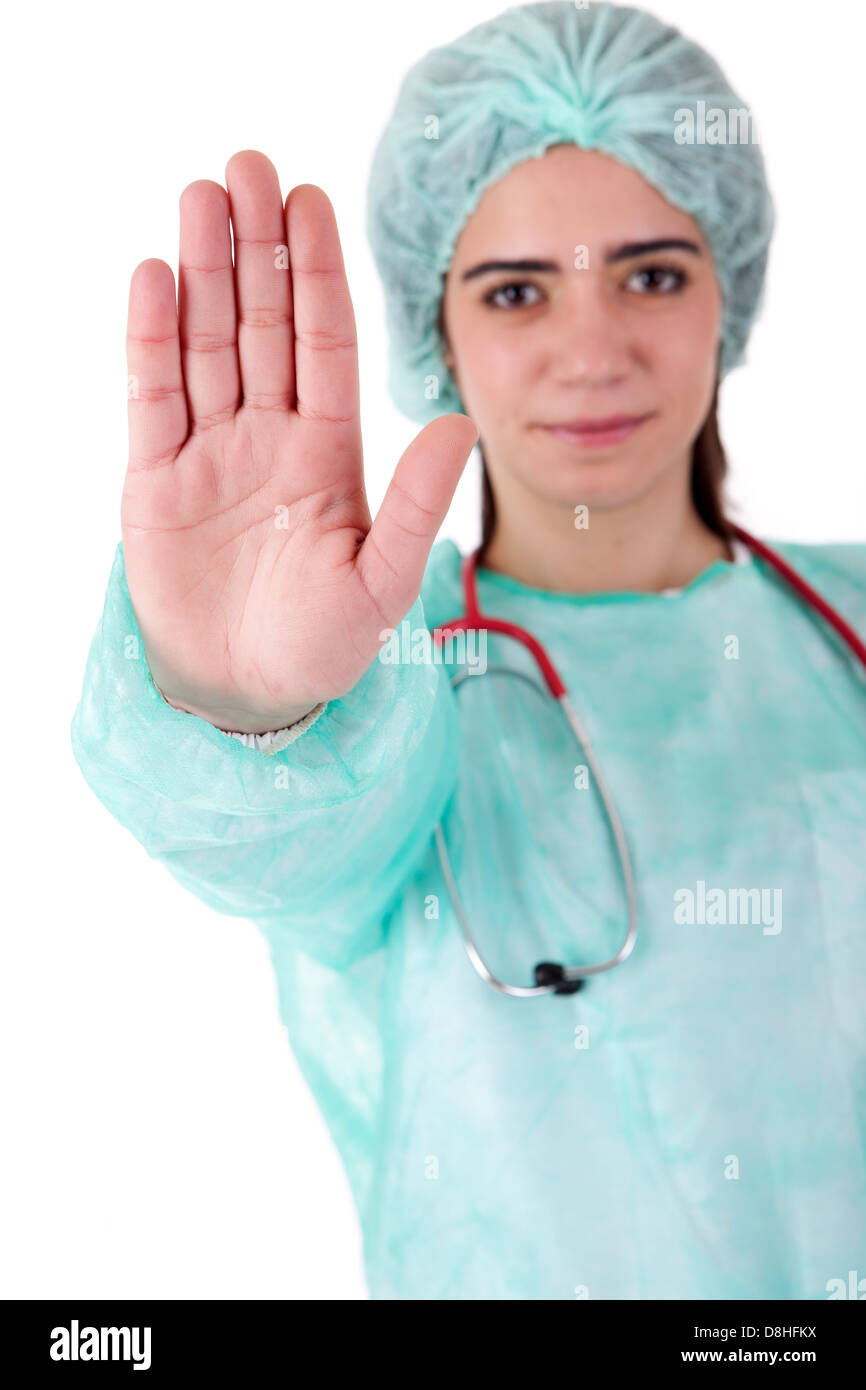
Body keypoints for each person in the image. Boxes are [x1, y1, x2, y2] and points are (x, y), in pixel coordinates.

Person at [71, 0, 866, 1300]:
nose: (591, 347)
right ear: (434, 330)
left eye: (651, 272)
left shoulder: (845, 630)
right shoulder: (390, 684)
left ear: (730, 285)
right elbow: (276, 834)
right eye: (514, 289)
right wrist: (242, 701)